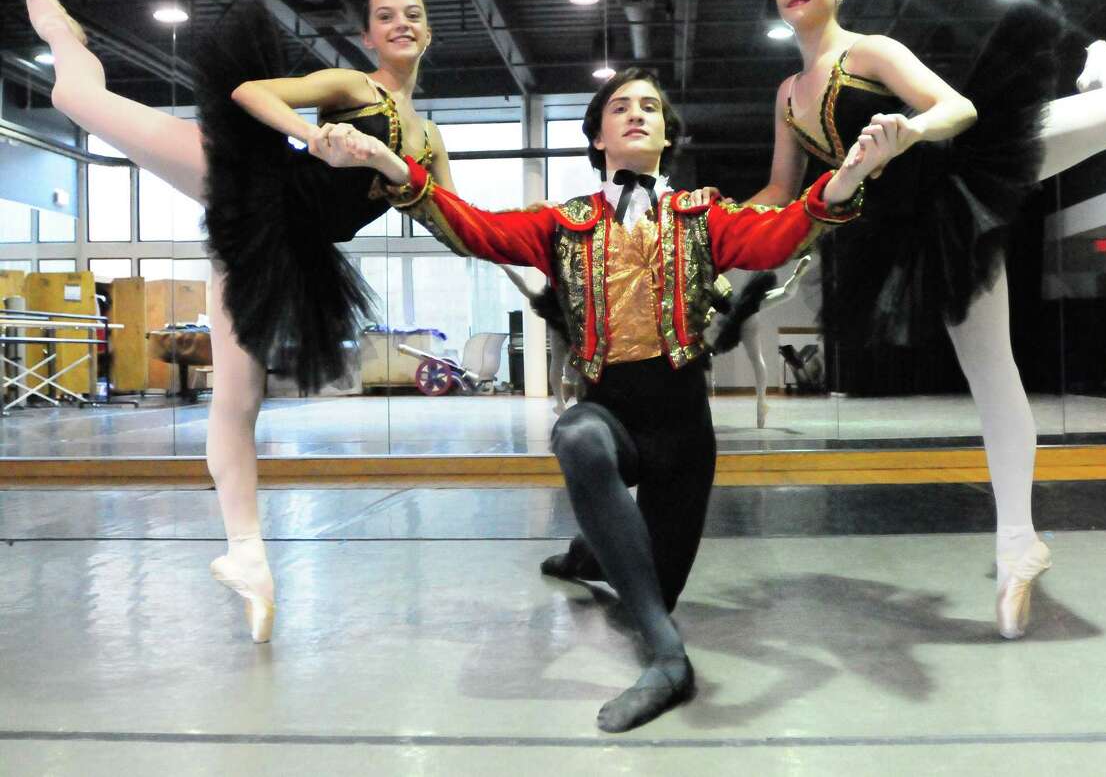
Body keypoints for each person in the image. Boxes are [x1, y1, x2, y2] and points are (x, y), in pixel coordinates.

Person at [321, 65, 891, 731]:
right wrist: (392, 162)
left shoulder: (703, 216)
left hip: (684, 434)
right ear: (598, 138)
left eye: (650, 106)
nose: (637, 114)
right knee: (579, 438)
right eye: (620, 107)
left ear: (665, 134)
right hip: (609, 412)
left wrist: (850, 172)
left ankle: (586, 553)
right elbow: (475, 228)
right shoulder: (562, 223)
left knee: (647, 583)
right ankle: (670, 660)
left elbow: (786, 229)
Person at [754, 0, 1106, 639]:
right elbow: (779, 189)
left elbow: (956, 108)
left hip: (972, 164)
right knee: (990, 370)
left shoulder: (870, 52)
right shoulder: (787, 97)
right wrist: (710, 219)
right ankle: (1018, 542)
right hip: (924, 224)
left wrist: (906, 131)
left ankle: (1101, 77)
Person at [25, 0, 456, 642]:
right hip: (249, 178)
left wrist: (520, 244)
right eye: (385, 16)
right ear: (369, 36)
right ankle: (63, 36)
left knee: (237, 400)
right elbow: (251, 93)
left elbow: (453, 221)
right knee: (73, 96)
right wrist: (313, 138)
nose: (401, 23)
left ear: (428, 33)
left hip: (278, 250)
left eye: (414, 14)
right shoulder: (353, 85)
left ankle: (247, 556)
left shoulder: (429, 140)